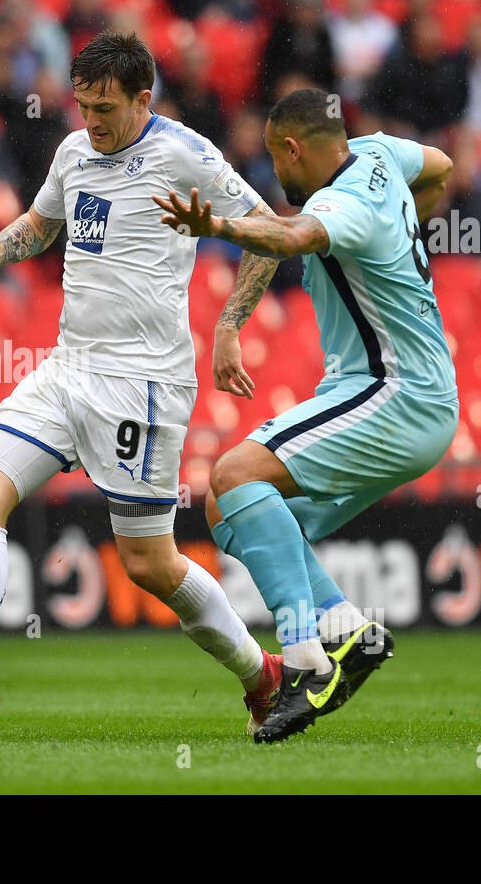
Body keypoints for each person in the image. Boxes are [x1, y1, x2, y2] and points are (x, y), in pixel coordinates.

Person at [0, 31, 284, 736]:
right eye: (82, 105)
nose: (92, 121)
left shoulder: (184, 154)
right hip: (67, 365)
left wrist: (230, 326)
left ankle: (260, 673)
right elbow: (42, 224)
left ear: (145, 99)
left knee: (148, 561)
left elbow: (267, 229)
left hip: (142, 382)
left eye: (106, 108)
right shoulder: (74, 150)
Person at [155, 87, 458, 743]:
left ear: (292, 148)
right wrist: (231, 321)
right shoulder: (381, 155)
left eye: (275, 158)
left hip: (394, 390)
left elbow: (290, 233)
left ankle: (301, 662)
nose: (275, 173)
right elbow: (439, 166)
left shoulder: (342, 205)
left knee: (234, 474)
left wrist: (219, 228)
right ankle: (347, 632)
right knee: (235, 512)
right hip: (414, 396)